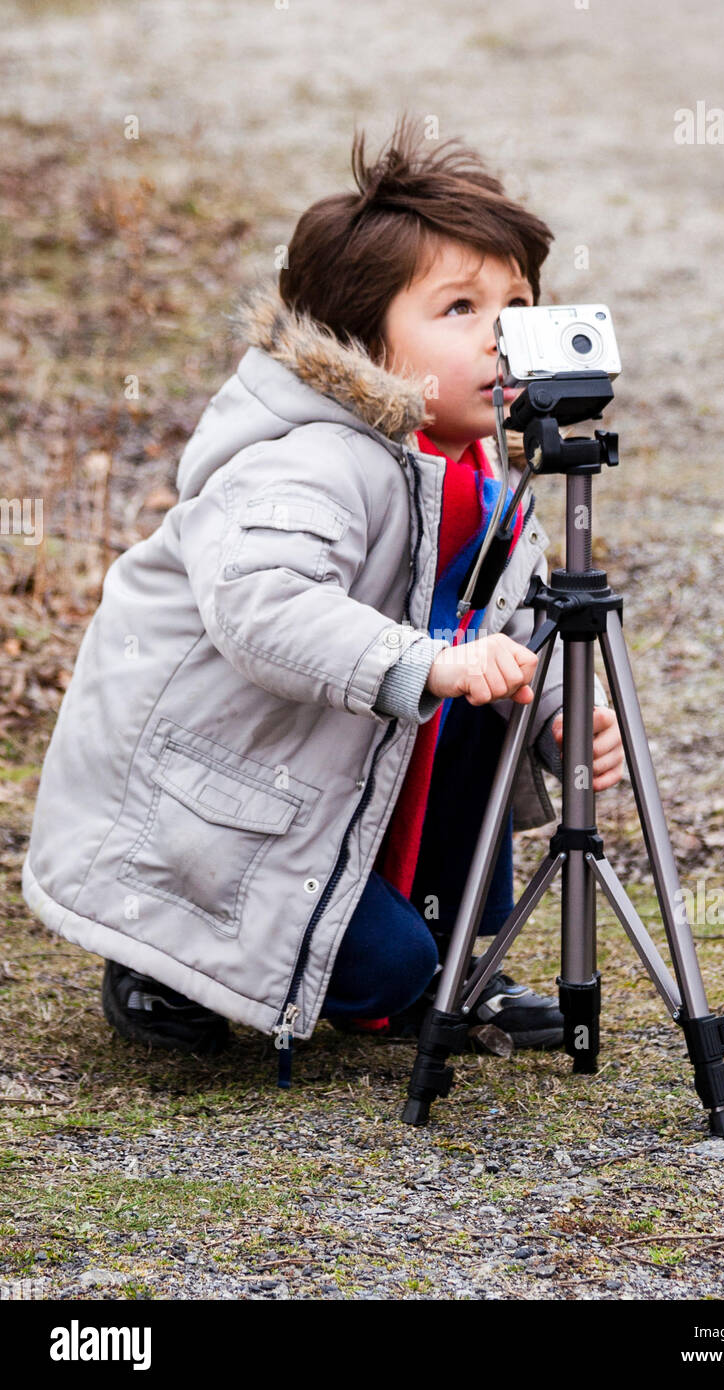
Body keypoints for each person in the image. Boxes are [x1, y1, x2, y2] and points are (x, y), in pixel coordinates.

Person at [22, 114, 624, 1078]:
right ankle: (163, 961)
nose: (500, 338)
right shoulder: (310, 461)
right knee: (386, 972)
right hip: (212, 796)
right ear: (363, 339)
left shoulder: (480, 473)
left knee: (491, 687)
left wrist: (558, 710)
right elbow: (263, 606)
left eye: (514, 306)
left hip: (340, 768)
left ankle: (445, 948)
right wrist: (426, 661)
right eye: (459, 309)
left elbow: (513, 619)